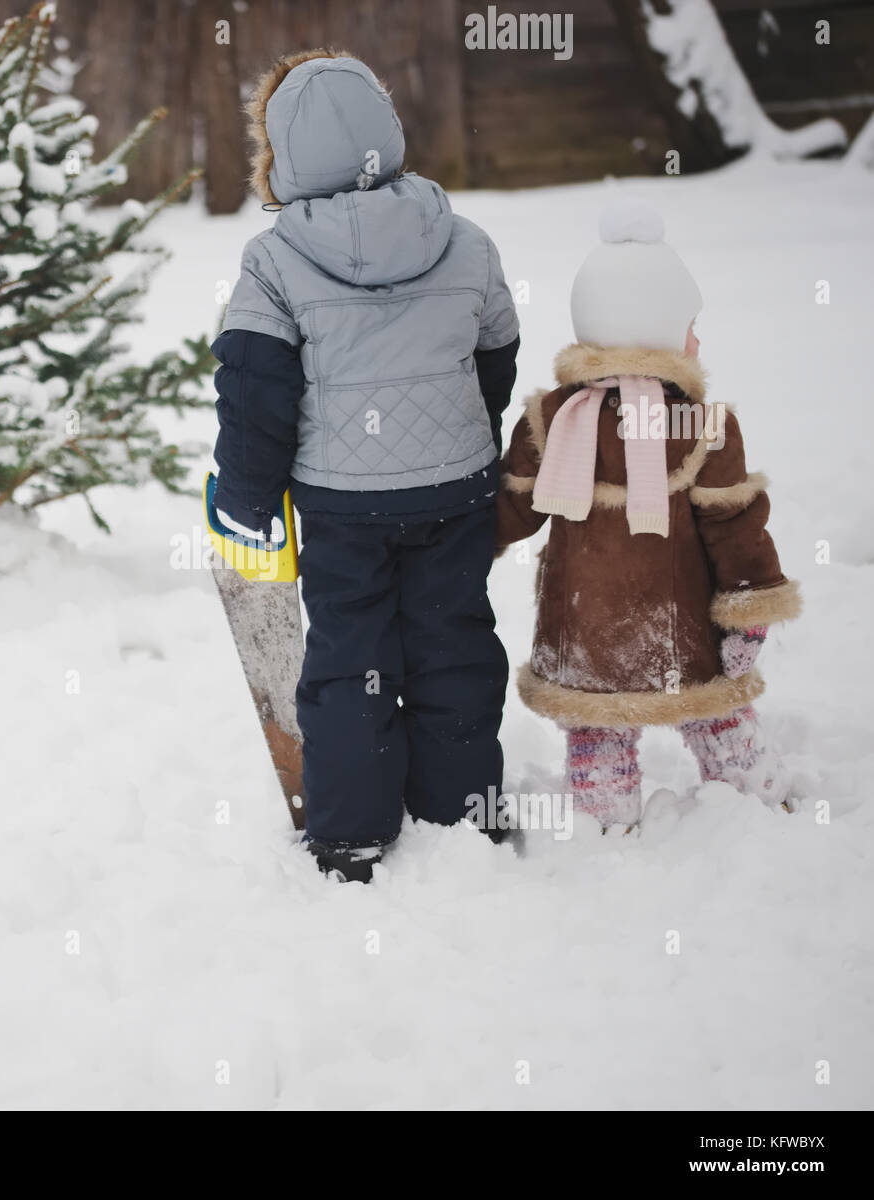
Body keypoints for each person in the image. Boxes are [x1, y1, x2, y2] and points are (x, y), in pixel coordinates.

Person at [211, 50, 520, 881]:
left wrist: (246, 498)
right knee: (453, 641)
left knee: (351, 656)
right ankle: (464, 811)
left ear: (280, 160)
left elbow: (257, 393)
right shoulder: (465, 239)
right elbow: (494, 355)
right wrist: (470, 434)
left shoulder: (273, 262)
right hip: (454, 488)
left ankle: (351, 831)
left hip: (343, 505)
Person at [496, 198, 801, 832]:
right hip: (680, 625)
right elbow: (735, 524)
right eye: (691, 324)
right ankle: (759, 797)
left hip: (583, 630)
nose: (697, 339)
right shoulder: (701, 425)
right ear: (662, 329)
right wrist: (750, 608)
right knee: (716, 709)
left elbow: (511, 507)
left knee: (597, 728)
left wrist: (451, 551)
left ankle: (606, 824)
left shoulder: (551, 417)